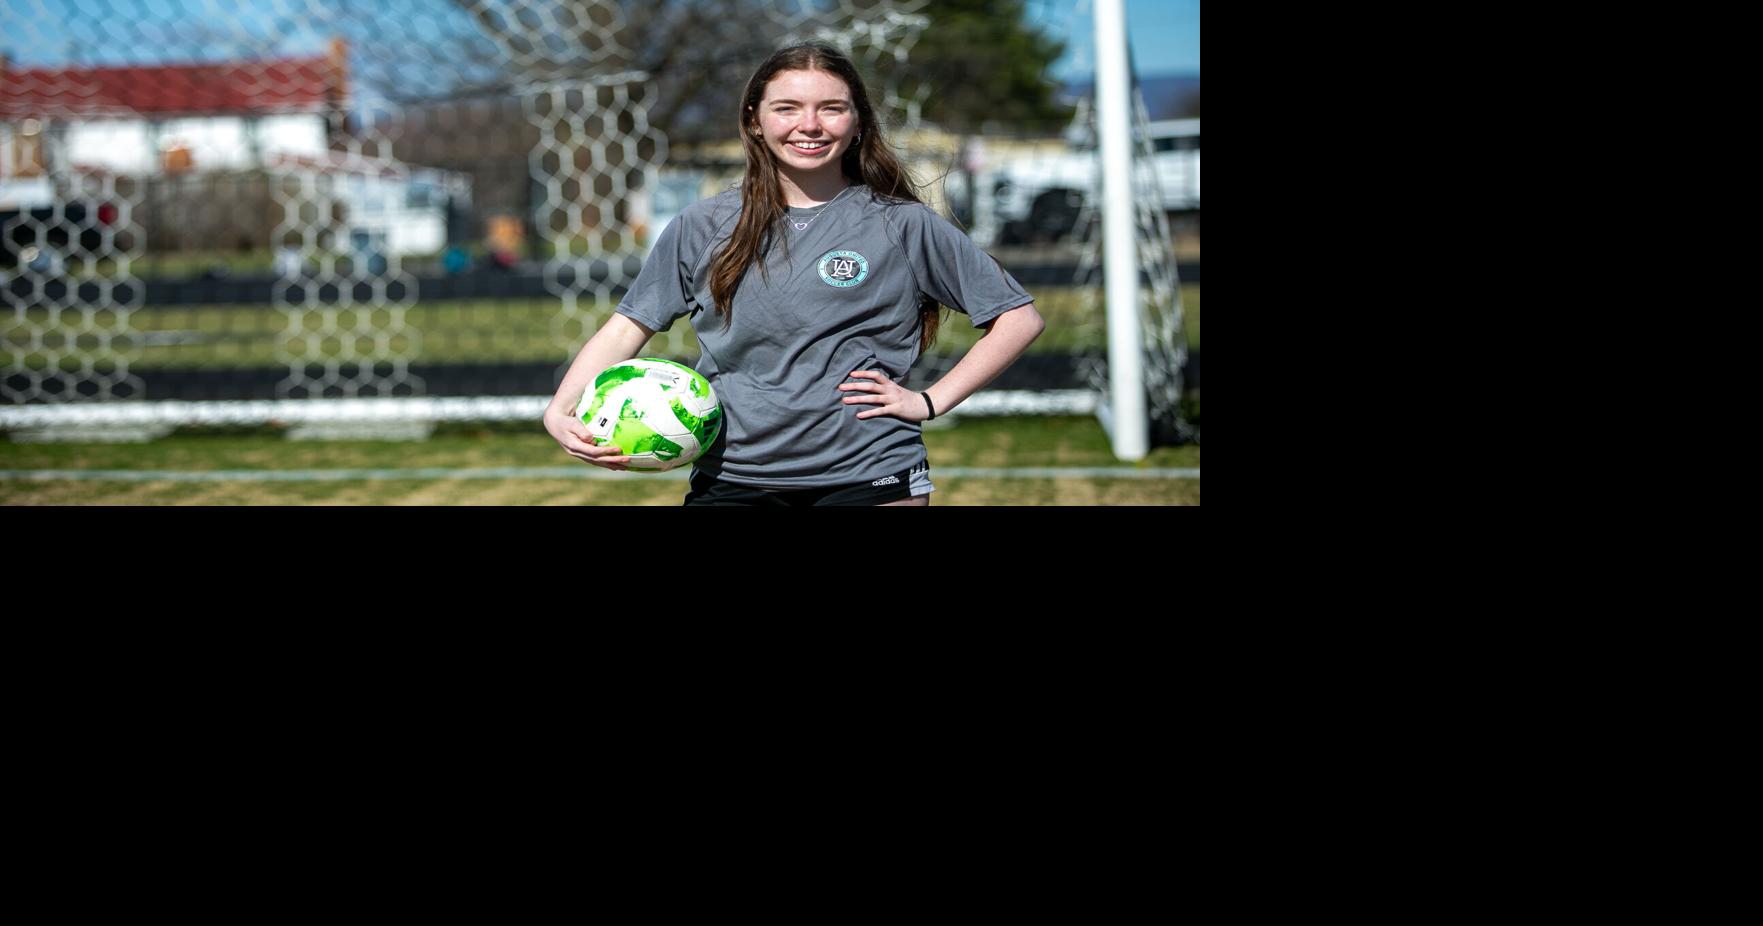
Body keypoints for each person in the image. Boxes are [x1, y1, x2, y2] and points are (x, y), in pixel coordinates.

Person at [542, 42, 1045, 506]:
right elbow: (630, 324)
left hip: (871, 473)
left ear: (858, 123)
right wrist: (560, 410)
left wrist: (930, 402)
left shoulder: (902, 224)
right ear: (755, 121)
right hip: (732, 476)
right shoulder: (704, 225)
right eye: (787, 108)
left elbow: (1018, 319)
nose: (811, 125)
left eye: (832, 108)